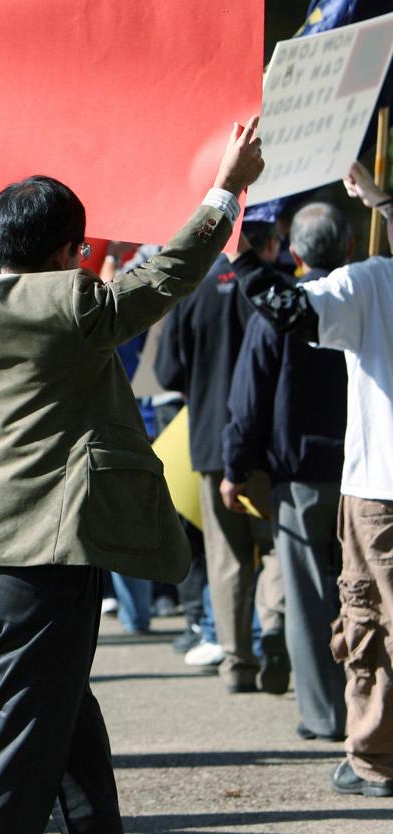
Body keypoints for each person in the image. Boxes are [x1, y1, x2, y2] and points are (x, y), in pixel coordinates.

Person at [0, 96, 264, 832]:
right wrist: (227, 185)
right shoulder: (76, 303)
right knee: (20, 761)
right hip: (46, 567)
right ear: (72, 250)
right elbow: (169, 274)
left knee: (64, 727)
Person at [236, 161, 393, 798]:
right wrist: (381, 200)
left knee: (373, 623)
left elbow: (287, 309)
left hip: (381, 485)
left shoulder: (372, 282)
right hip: (368, 478)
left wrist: (241, 256)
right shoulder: (372, 277)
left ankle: (375, 761)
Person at [220, 202, 352, 742]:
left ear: (294, 252)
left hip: (298, 475)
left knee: (306, 599)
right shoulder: (367, 298)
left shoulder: (279, 309)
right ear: (346, 248)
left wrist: (234, 467)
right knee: (365, 594)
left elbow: (249, 398)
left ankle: (325, 714)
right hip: (362, 471)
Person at [153, 220, 287, 690]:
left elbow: (166, 372)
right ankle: (274, 627)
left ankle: (237, 662)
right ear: (268, 246)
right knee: (274, 546)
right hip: (271, 443)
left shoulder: (193, 294)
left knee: (226, 555)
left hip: (210, 440)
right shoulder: (276, 291)